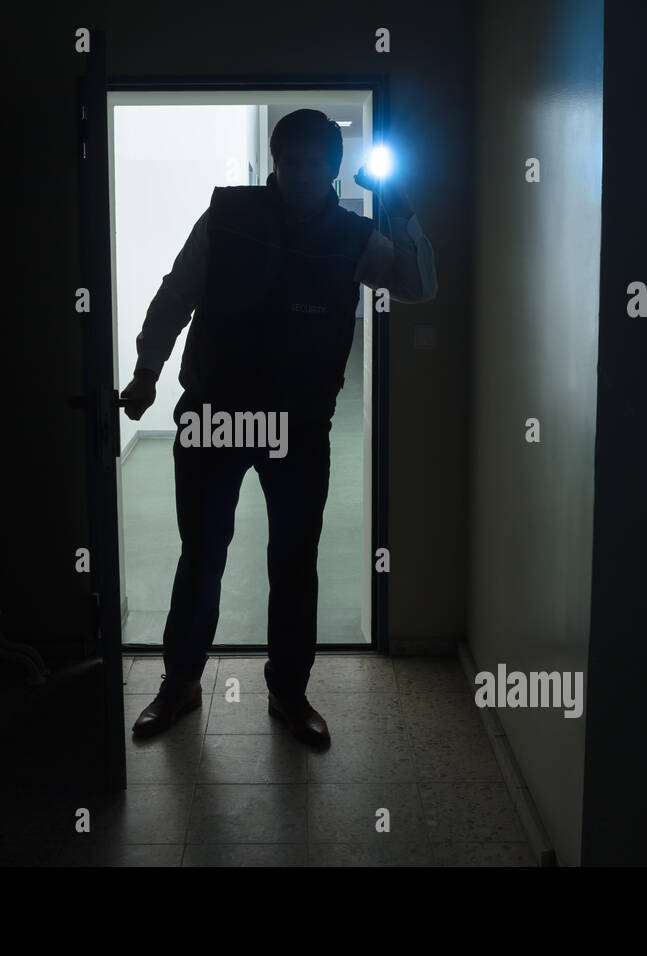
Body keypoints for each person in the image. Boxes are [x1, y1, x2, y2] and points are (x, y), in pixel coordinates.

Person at [121, 109, 437, 746]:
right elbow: (176, 291)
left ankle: (288, 694)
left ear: (333, 169)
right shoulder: (229, 217)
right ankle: (179, 684)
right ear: (275, 161)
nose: (299, 175)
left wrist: (402, 212)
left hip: (297, 421)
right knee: (202, 554)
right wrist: (147, 370)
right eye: (289, 162)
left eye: (313, 164)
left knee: (294, 563)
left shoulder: (355, 236)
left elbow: (419, 284)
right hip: (215, 411)